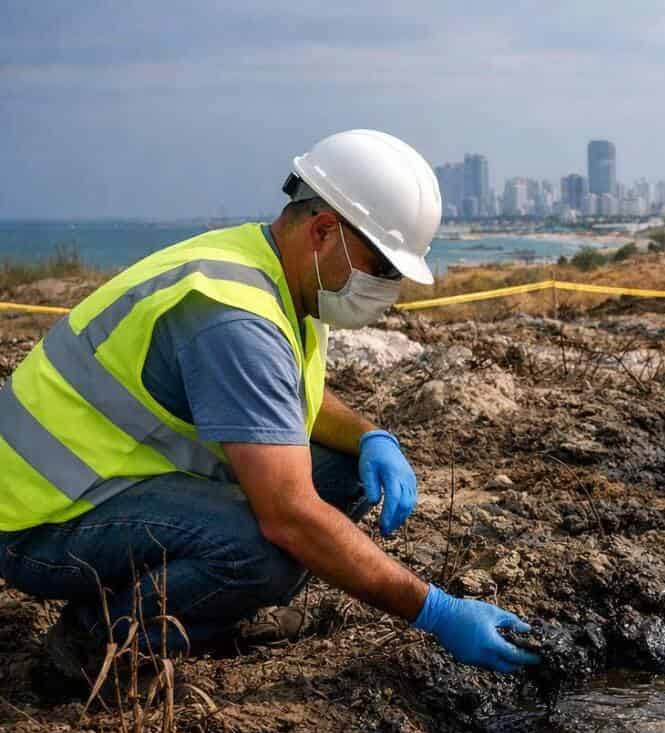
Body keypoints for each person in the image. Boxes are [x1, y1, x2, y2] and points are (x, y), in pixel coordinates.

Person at [0, 129, 539, 681]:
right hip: (42, 517)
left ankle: (192, 607)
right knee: (258, 553)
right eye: (381, 267)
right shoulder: (232, 317)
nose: (387, 287)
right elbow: (290, 517)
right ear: (324, 230)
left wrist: (370, 437)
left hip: (119, 477)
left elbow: (279, 397)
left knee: (346, 471)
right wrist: (435, 611)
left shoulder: (279, 273)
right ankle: (99, 638)